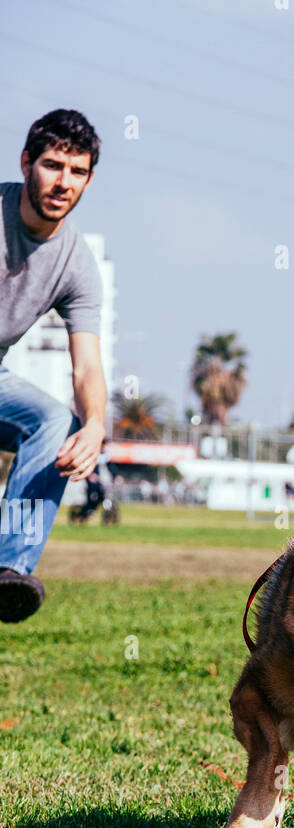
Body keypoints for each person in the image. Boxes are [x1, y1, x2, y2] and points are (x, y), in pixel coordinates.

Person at [0, 110, 105, 622]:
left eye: (77, 170)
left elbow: (86, 367)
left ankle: (8, 571)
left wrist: (96, 426)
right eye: (52, 165)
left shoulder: (75, 264)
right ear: (26, 163)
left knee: (56, 422)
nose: (63, 181)